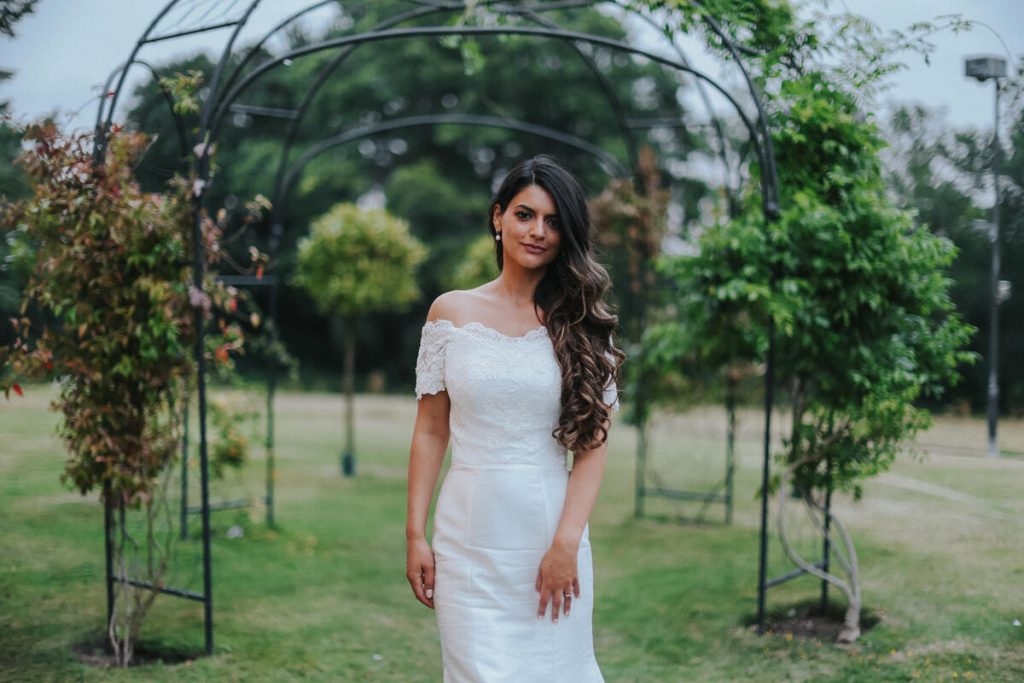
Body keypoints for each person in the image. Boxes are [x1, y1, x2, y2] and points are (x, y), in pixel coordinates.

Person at [405, 154, 624, 682]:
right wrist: (415, 533)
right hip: (467, 532)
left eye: (553, 222)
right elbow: (432, 429)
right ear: (498, 217)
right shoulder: (449, 312)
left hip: (551, 530)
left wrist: (566, 544)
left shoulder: (582, 324)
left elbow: (593, 445)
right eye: (525, 215)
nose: (538, 232)